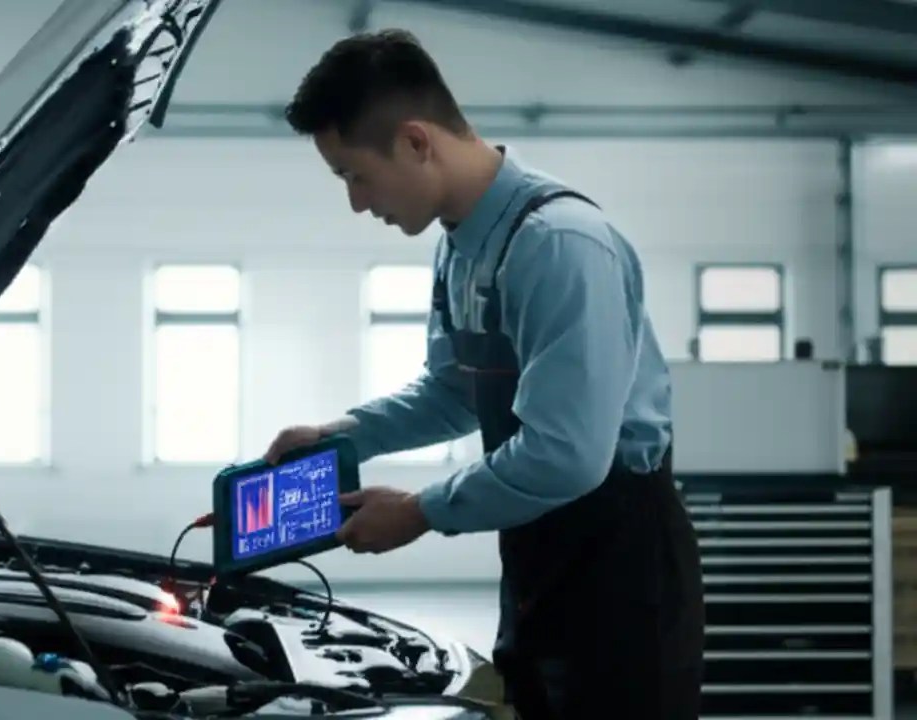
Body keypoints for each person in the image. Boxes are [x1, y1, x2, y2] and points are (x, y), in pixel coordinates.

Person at [265, 29, 704, 720]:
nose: (356, 202)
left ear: (416, 142)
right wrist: (340, 437)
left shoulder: (558, 245)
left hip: (621, 566)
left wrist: (420, 511)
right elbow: (455, 392)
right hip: (540, 548)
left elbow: (565, 455)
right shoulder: (463, 248)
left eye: (354, 175)